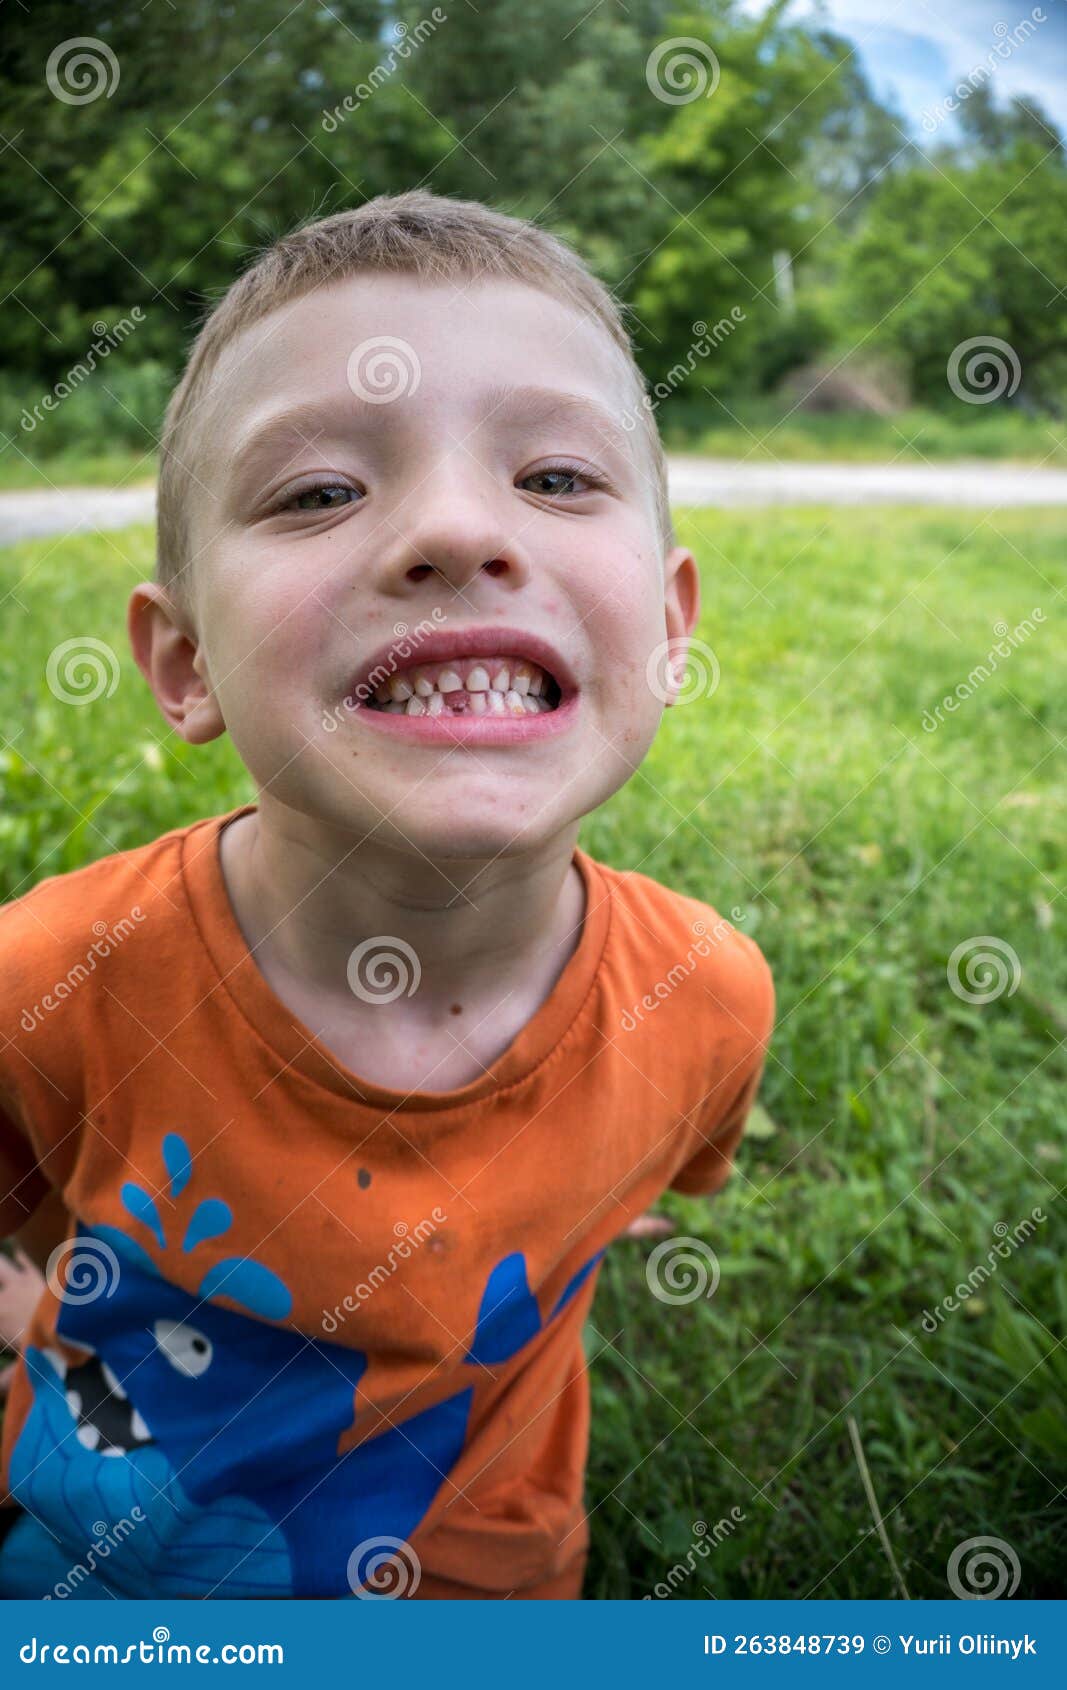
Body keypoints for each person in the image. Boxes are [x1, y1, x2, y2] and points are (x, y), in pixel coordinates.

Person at [0, 189, 774, 1600]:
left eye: (553, 477)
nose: (459, 528)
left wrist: (575, 1199)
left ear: (668, 632)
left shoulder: (705, 999)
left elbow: (665, 1158)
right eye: (320, 492)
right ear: (185, 667)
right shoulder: (50, 976)